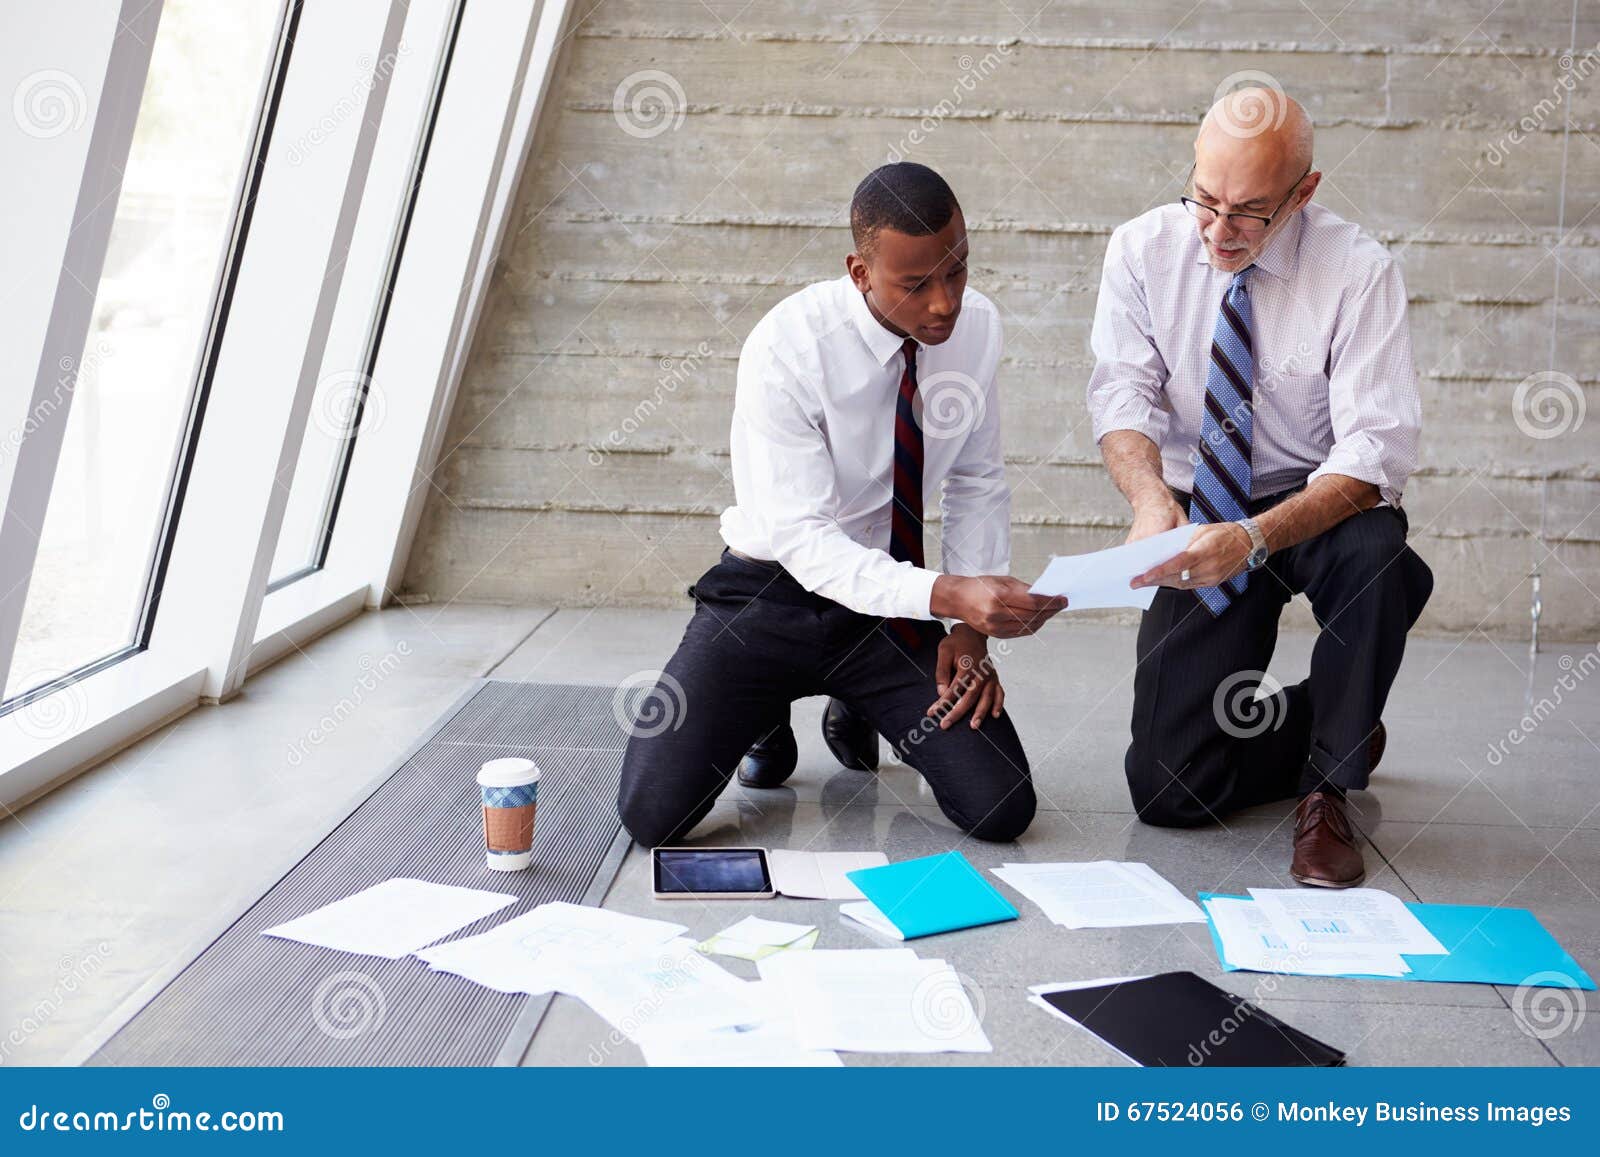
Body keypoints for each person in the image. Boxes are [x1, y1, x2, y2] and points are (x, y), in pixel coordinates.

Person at [616, 162, 1066, 849]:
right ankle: (765, 705)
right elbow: (806, 543)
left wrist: (969, 634)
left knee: (1000, 804)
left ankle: (860, 695)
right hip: (770, 595)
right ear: (859, 272)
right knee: (651, 815)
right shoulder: (787, 347)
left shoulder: (976, 329)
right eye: (916, 284)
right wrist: (952, 592)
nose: (944, 302)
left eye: (958, 269)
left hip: (885, 606)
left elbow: (974, 478)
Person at [1086, 87, 1433, 887]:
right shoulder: (1143, 251)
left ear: (1304, 194)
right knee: (1167, 790)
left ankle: (1327, 789)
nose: (1217, 231)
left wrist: (1256, 537)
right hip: (1202, 501)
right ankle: (1333, 719)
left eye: (1248, 212)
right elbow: (1122, 397)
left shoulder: (1358, 270)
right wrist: (1150, 500)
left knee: (1376, 547)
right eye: (1205, 200)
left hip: (1318, 504)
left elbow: (1373, 450)